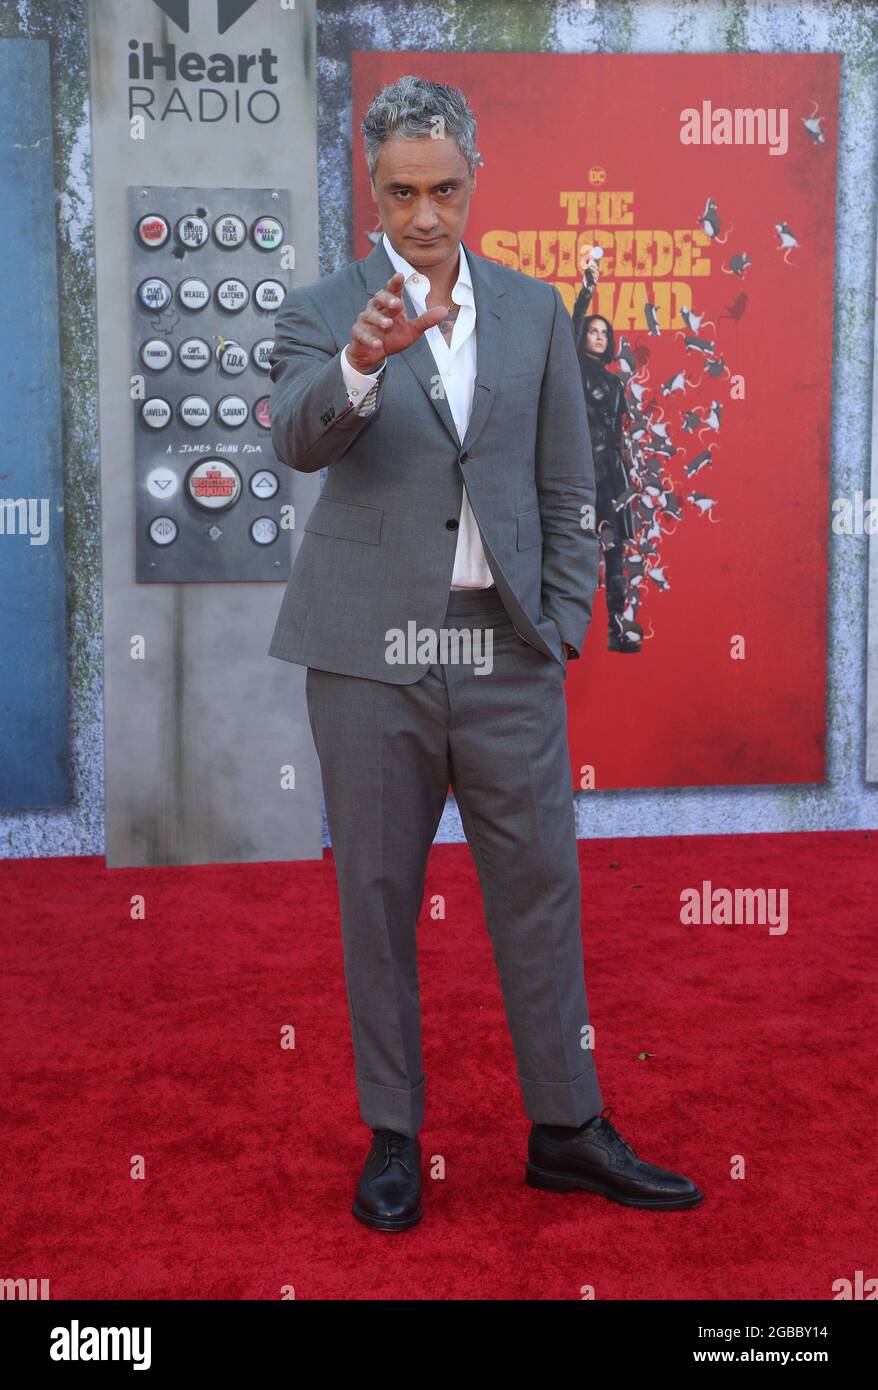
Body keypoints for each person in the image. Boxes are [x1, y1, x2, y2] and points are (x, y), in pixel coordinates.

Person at [268, 75, 701, 1230]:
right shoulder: (323, 308)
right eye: (401, 191)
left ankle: (565, 1127)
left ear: (473, 179)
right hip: (368, 656)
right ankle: (394, 1136)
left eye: (443, 188)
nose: (423, 214)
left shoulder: (532, 309)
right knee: (376, 896)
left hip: (502, 651)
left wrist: (559, 620)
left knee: (541, 893)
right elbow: (296, 439)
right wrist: (360, 361)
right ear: (372, 184)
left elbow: (571, 483)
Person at [572, 250, 641, 652]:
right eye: (592, 329)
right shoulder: (571, 368)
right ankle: (570, 632)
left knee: (615, 552)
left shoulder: (616, 384)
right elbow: (569, 328)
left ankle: (617, 629)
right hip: (579, 471)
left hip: (611, 473)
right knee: (576, 551)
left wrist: (628, 475)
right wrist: (587, 291)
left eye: (604, 331)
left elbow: (619, 433)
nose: (597, 335)